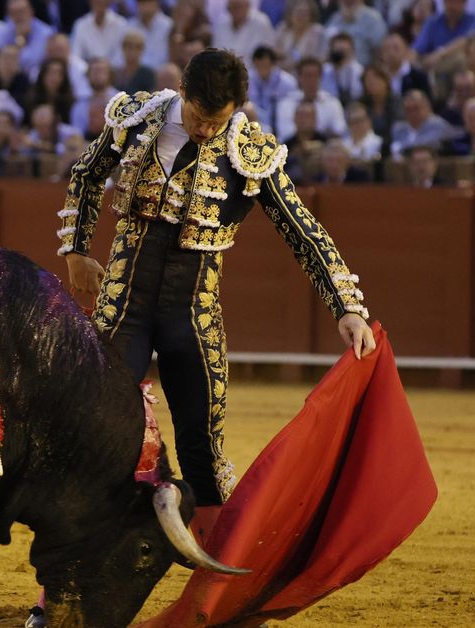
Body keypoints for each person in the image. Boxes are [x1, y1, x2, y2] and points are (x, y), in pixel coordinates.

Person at [54, 48, 373, 554]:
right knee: (98, 430)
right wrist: (75, 251)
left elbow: (303, 230)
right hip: (123, 304)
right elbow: (86, 174)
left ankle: (212, 574)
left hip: (192, 314)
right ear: (182, 91)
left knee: (203, 445)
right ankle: (69, 575)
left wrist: (347, 306)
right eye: (199, 118)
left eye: (217, 122)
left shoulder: (249, 151)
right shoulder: (138, 118)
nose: (205, 131)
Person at [274, 57, 347, 144]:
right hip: (293, 148)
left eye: (315, 76)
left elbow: (339, 132)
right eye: (307, 76)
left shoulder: (333, 103)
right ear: (299, 78)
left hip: (324, 148)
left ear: (320, 77)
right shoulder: (285, 104)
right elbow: (285, 133)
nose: (311, 80)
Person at [390, 89, 457, 156]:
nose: (413, 113)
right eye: (408, 110)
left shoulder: (439, 125)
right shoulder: (398, 129)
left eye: (416, 108)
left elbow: (427, 146)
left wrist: (403, 148)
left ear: (427, 107)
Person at [247, 45, 297, 134]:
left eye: (265, 65)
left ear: (273, 64)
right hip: (256, 124)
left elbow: (290, 109)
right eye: (258, 65)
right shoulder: (247, 80)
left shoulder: (288, 82)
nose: (262, 69)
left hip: (281, 123)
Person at [322, 0, 388, 66]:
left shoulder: (373, 19)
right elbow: (324, 51)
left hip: (364, 70)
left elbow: (380, 53)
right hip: (336, 70)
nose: (348, 1)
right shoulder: (334, 20)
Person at [71, 0, 131, 70]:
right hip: (87, 72)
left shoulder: (121, 24)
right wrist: (92, 69)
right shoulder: (80, 25)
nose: (100, 2)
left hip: (114, 72)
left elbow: (121, 55)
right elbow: (76, 56)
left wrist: (106, 68)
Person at [273, 0, 323, 71]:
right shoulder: (282, 28)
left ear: (311, 15)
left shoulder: (316, 32)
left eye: (304, 13)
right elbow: (274, 52)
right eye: (298, 12)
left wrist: (286, 58)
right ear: (290, 14)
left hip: (305, 72)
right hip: (281, 71)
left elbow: (312, 58)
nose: (300, 16)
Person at [126, 0, 173, 69]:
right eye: (142, 2)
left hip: (160, 71)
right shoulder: (129, 26)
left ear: (157, 3)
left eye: (148, 1)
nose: (145, 6)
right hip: (135, 72)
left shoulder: (168, 26)